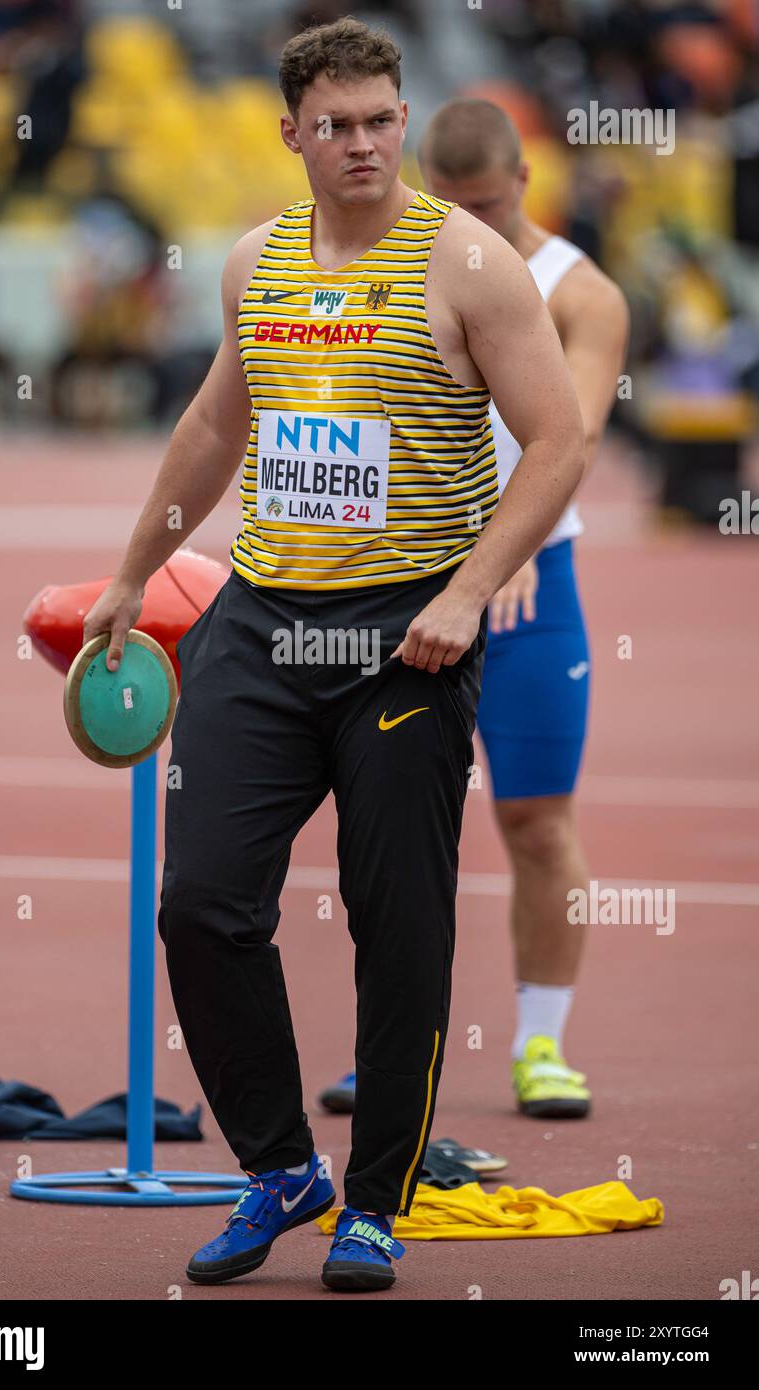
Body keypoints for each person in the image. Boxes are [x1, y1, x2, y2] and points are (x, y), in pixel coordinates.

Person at [82, 21, 584, 1293]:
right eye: (336, 124)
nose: (361, 144)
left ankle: (374, 1201)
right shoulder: (256, 261)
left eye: (380, 119)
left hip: (404, 632)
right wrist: (135, 572)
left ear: (401, 120)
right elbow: (212, 423)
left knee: (396, 921)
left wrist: (471, 592)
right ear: (291, 132)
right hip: (260, 617)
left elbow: (560, 439)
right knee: (198, 901)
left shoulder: (467, 264)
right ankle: (278, 1169)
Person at [321, 99, 629, 1124]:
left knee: (535, 818)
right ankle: (395, 1051)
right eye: (453, 206)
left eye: (488, 205)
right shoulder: (395, 258)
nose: (474, 227)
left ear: (523, 182)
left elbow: (568, 436)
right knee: (398, 828)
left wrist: (506, 558)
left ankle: (540, 1044)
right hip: (406, 575)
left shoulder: (582, 293)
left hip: (530, 580)